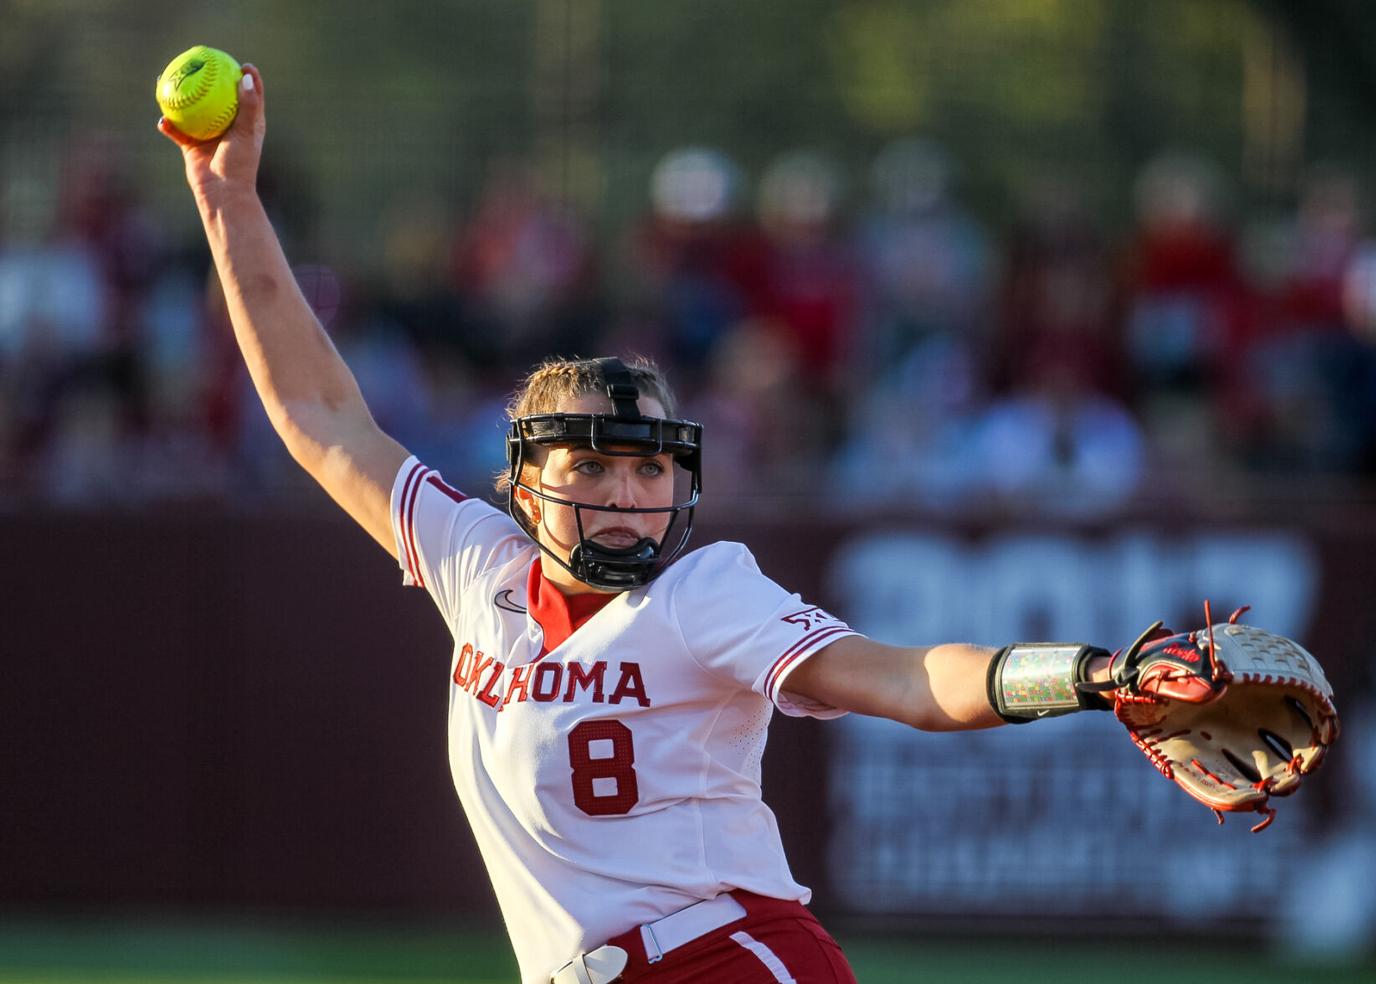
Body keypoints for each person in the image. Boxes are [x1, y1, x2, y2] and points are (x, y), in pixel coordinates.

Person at [160, 66, 1126, 984]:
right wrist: (228, 200)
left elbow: (906, 680)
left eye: (652, 467)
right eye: (592, 466)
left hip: (725, 958)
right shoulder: (478, 568)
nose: (628, 495)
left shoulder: (703, 593)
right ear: (524, 489)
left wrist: (1092, 675)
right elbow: (319, 417)